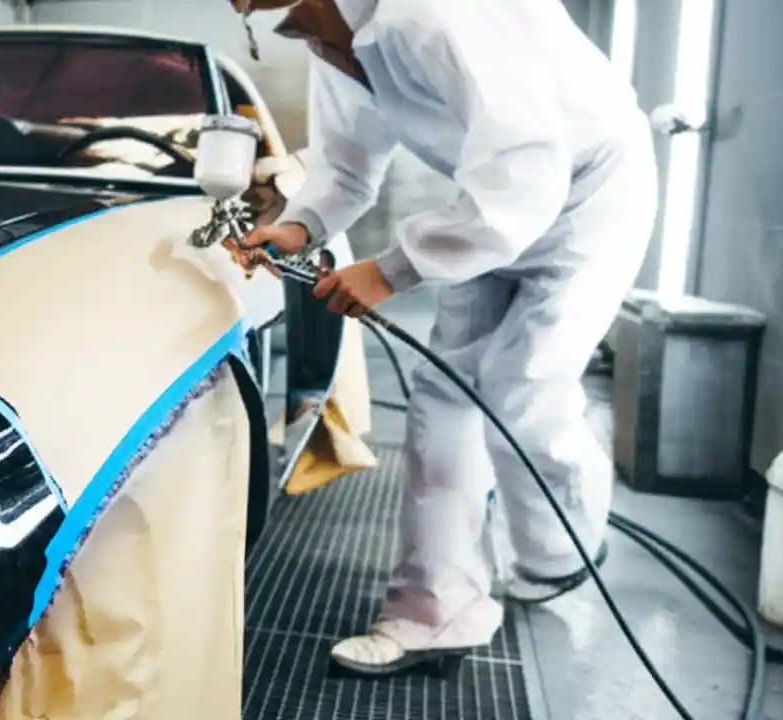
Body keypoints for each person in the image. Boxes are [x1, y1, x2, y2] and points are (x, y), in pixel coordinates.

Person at [233, 0, 657, 676]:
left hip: (587, 193)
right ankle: (434, 611)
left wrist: (391, 270)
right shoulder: (328, 37)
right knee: (447, 393)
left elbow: (528, 168)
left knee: (524, 386)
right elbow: (346, 168)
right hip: (492, 203)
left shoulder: (433, 12)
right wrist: (300, 225)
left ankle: (562, 555)